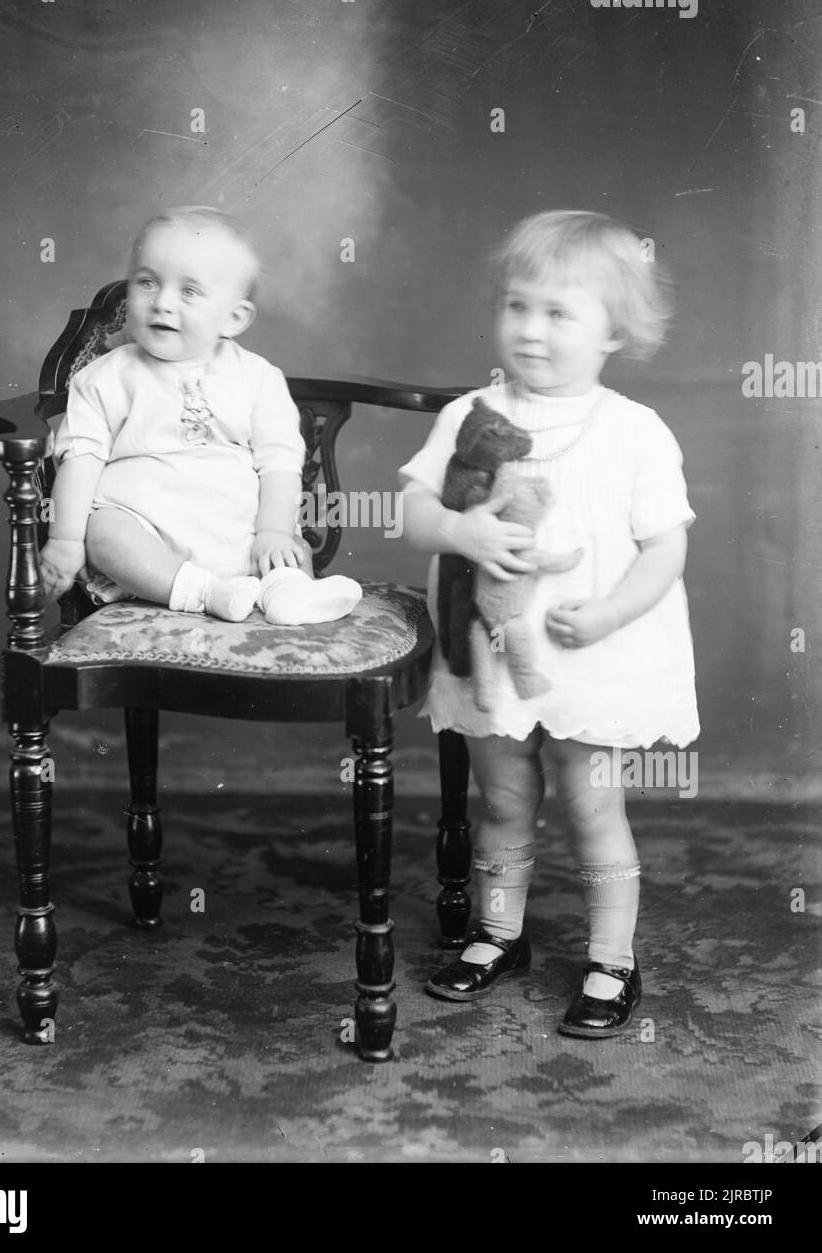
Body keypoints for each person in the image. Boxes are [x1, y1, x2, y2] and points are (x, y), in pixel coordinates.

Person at [399, 210, 698, 1037]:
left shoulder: (635, 431)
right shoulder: (471, 414)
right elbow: (416, 510)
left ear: (615, 332)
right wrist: (459, 531)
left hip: (586, 653)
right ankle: (499, 936)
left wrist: (606, 613)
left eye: (558, 313)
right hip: (489, 657)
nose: (531, 330)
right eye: (517, 306)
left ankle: (612, 961)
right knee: (502, 799)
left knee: (593, 804)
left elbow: (664, 551)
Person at [39, 205, 362, 626]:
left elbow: (280, 462)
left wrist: (273, 532)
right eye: (147, 282)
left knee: (285, 546)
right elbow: (80, 460)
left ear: (234, 317)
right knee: (102, 532)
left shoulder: (257, 378)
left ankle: (286, 593)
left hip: (243, 533)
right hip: (150, 541)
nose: (163, 303)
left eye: (189, 291)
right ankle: (207, 593)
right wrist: (65, 539)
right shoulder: (104, 378)